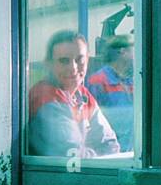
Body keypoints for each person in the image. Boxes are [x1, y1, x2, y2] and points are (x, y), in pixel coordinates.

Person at [27, 30, 120, 158]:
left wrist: (89, 153)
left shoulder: (83, 96)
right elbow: (71, 156)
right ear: (49, 64)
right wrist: (96, 155)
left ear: (87, 60)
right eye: (64, 61)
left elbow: (111, 145)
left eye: (79, 59)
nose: (73, 68)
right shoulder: (45, 97)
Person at [87, 32, 135, 151]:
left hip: (132, 151)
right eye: (134, 49)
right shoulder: (97, 81)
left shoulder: (132, 81)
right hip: (109, 153)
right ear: (122, 51)